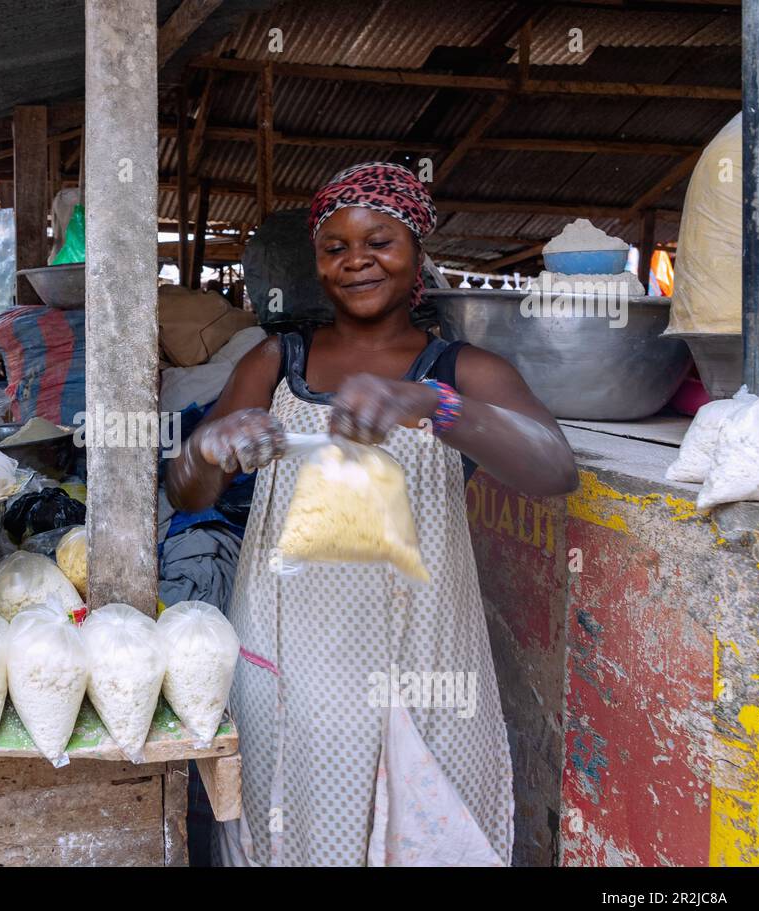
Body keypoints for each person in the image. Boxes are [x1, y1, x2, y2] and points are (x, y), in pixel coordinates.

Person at [165, 162, 578, 866]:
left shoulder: (459, 370)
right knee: (286, 824)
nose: (356, 260)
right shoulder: (275, 359)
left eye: (379, 241)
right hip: (286, 657)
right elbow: (187, 494)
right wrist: (209, 448)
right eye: (335, 247)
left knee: (417, 825)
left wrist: (432, 407)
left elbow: (553, 469)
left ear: (417, 250)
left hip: (420, 658)